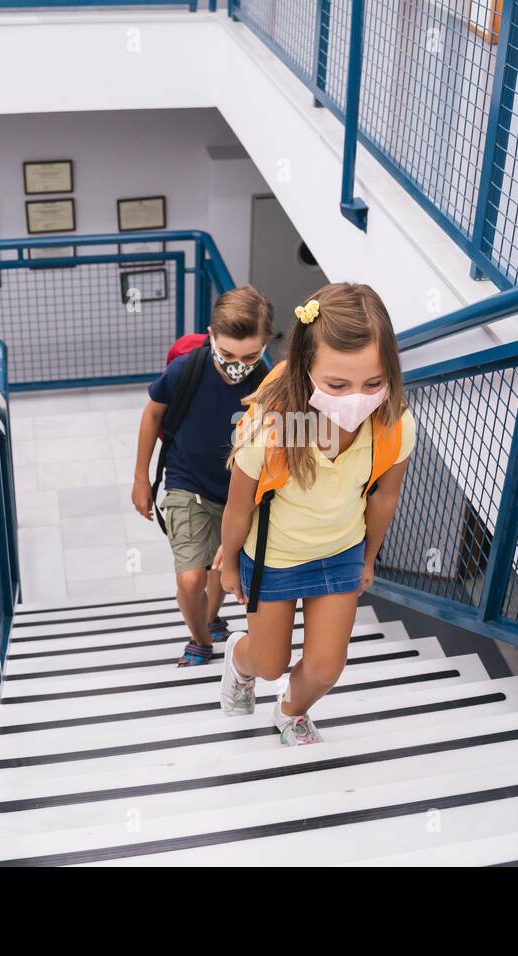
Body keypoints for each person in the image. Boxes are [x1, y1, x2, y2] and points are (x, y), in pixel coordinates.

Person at [213, 282, 415, 744]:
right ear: (305, 369)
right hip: (274, 558)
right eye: (337, 385)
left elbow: (384, 497)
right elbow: (239, 504)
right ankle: (239, 663)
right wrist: (227, 564)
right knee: (269, 663)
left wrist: (368, 558)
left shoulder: (394, 423)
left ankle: (290, 713)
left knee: (326, 666)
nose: (356, 399)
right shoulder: (269, 427)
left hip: (341, 550)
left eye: (373, 384)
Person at [133, 287, 274, 666]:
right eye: (227, 354)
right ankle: (200, 640)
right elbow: (152, 415)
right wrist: (141, 478)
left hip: (239, 496)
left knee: (221, 575)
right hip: (186, 483)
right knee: (191, 579)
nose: (236, 365)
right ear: (211, 335)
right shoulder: (186, 370)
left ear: (265, 344)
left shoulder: (268, 386)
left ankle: (211, 620)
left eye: (249, 356)